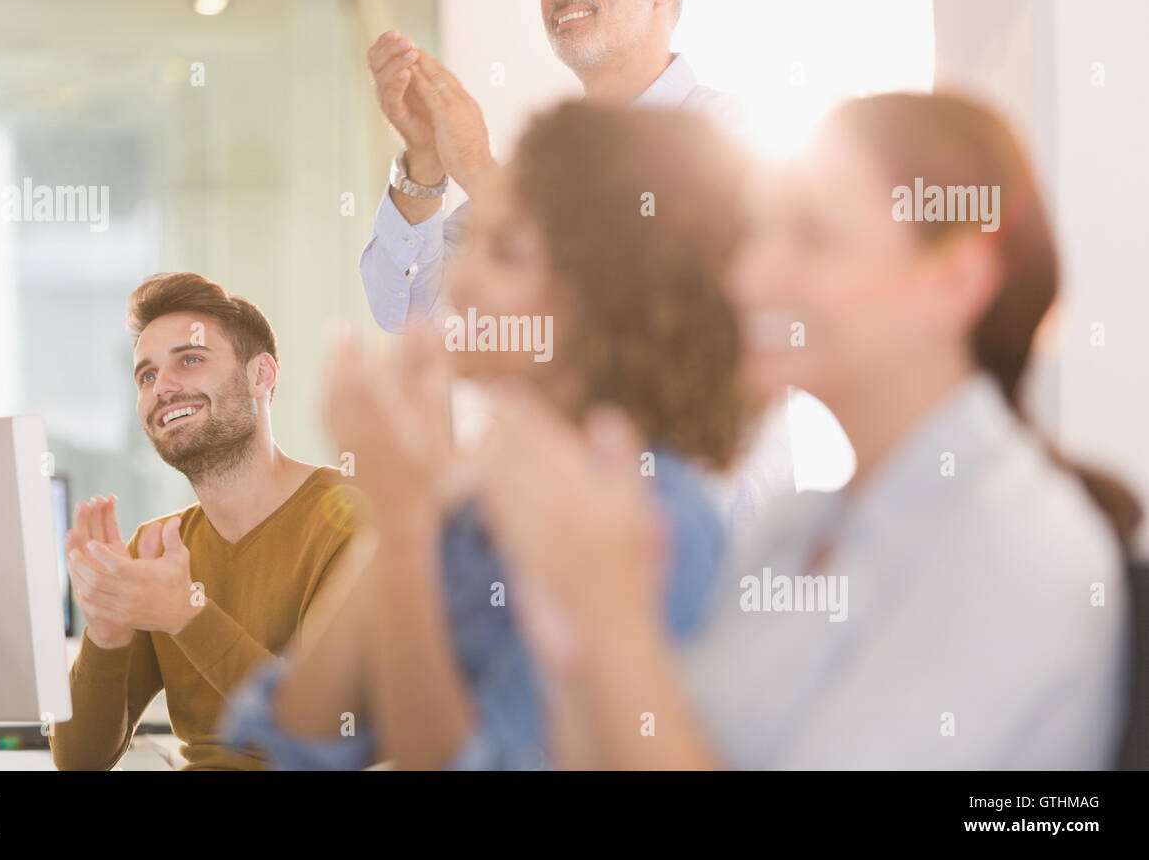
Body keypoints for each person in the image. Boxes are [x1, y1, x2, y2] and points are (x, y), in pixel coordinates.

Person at [474, 91, 1140, 769]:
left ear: (955, 281)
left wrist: (614, 624)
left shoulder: (1018, 551)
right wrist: (580, 653)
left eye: (813, 236)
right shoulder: (794, 523)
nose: (748, 278)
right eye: (758, 233)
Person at [221, 102, 753, 769]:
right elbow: (291, 736)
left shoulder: (659, 522)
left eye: (504, 253)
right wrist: (399, 517)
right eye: (469, 245)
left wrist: (407, 526)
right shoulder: (479, 492)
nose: (460, 281)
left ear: (605, 292)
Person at [360, 0, 741, 333]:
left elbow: (641, 294)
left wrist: (477, 167)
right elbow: (405, 309)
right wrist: (426, 159)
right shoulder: (538, 172)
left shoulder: (729, 134)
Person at [50, 273, 356, 770]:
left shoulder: (347, 519)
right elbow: (80, 762)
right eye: (146, 376)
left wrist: (186, 615)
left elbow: (324, 730)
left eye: (189, 360)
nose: (163, 388)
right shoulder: (157, 550)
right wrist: (105, 634)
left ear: (261, 375)